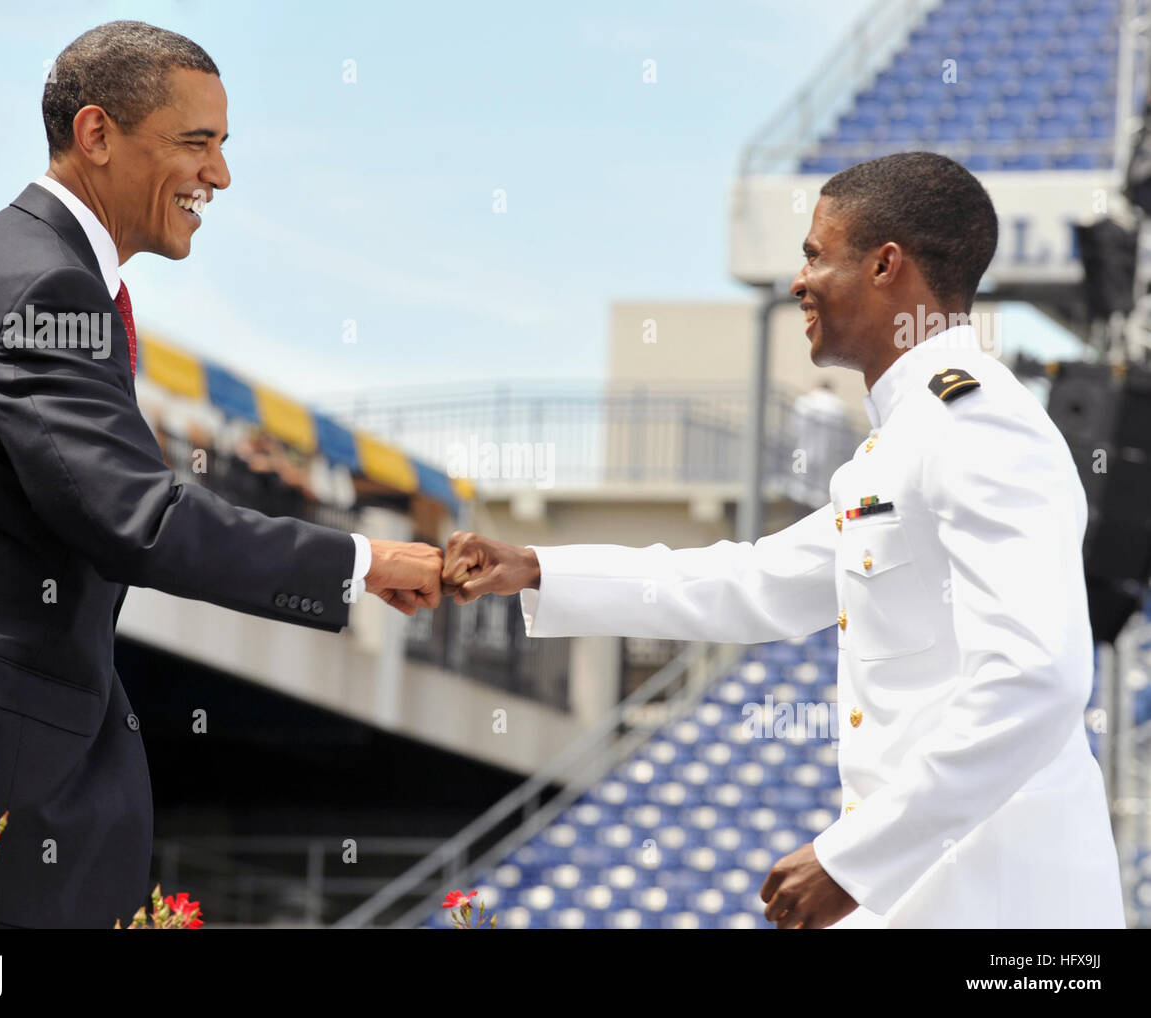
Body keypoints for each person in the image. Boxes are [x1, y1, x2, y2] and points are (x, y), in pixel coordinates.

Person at [0, 21, 441, 928]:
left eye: (224, 146)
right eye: (195, 143)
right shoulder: (45, 288)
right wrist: (364, 563)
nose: (222, 175)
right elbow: (142, 518)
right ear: (96, 134)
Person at [440, 152, 1125, 929]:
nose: (799, 281)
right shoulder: (902, 442)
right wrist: (534, 568)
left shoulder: (977, 422)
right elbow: (753, 583)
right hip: (917, 895)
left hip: (1001, 910)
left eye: (813, 254)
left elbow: (1036, 677)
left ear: (884, 264)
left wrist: (855, 856)